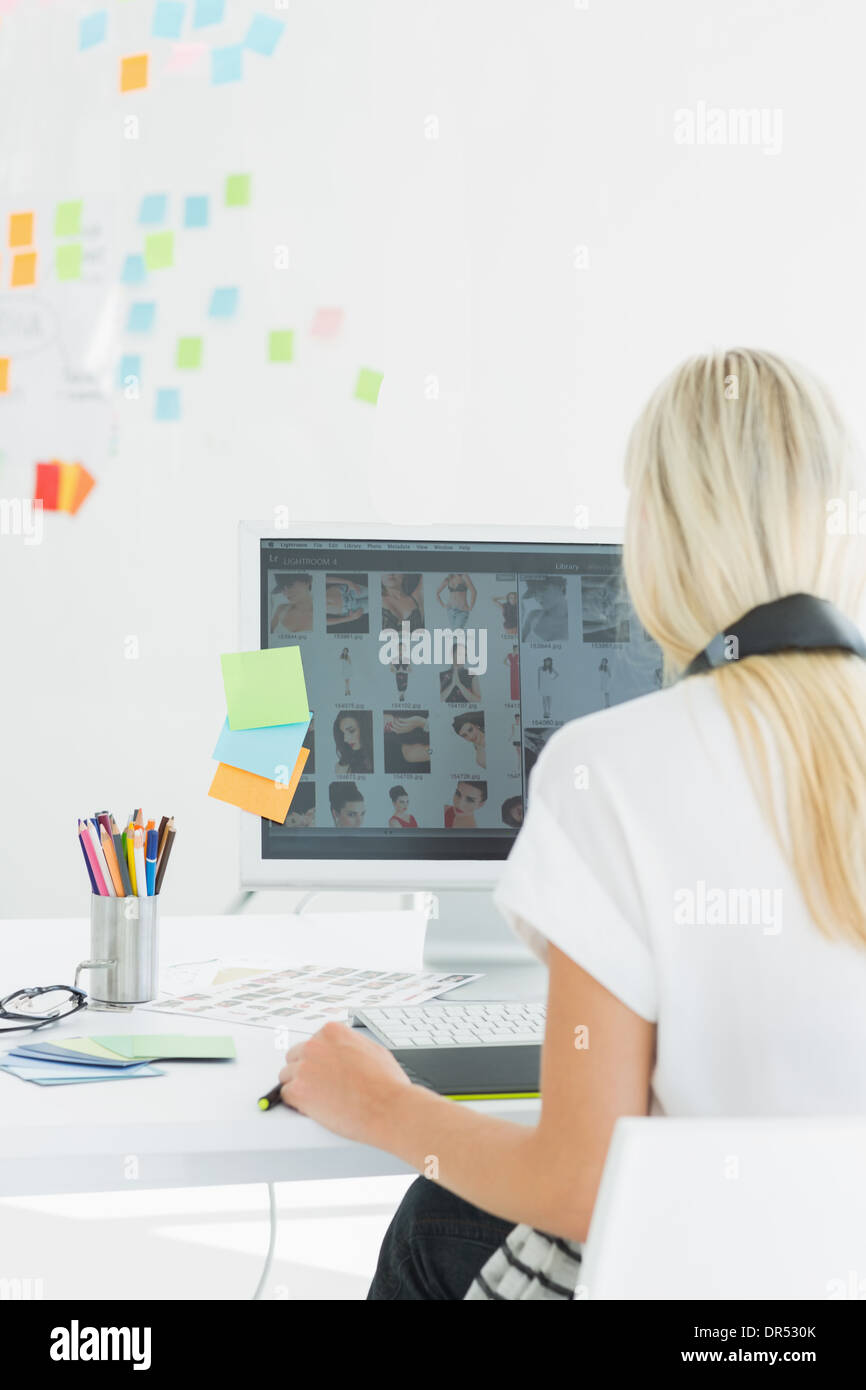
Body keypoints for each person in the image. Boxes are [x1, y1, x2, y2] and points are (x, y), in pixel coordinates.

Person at [272, 348, 866, 1302]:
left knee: (430, 1228)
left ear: (659, 535)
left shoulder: (614, 768)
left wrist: (384, 1103)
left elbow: (582, 1187)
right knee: (444, 1216)